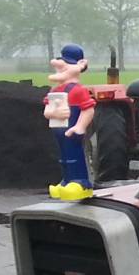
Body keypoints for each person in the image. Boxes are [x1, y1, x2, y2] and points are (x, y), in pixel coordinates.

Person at [43, 43, 97, 200]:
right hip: (58, 129)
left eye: (66, 64)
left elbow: (88, 109)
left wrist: (80, 126)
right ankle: (66, 180)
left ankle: (81, 183)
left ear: (80, 65)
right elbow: (47, 111)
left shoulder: (78, 90)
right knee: (63, 156)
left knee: (75, 154)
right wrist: (54, 112)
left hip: (72, 128)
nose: (61, 67)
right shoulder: (54, 91)